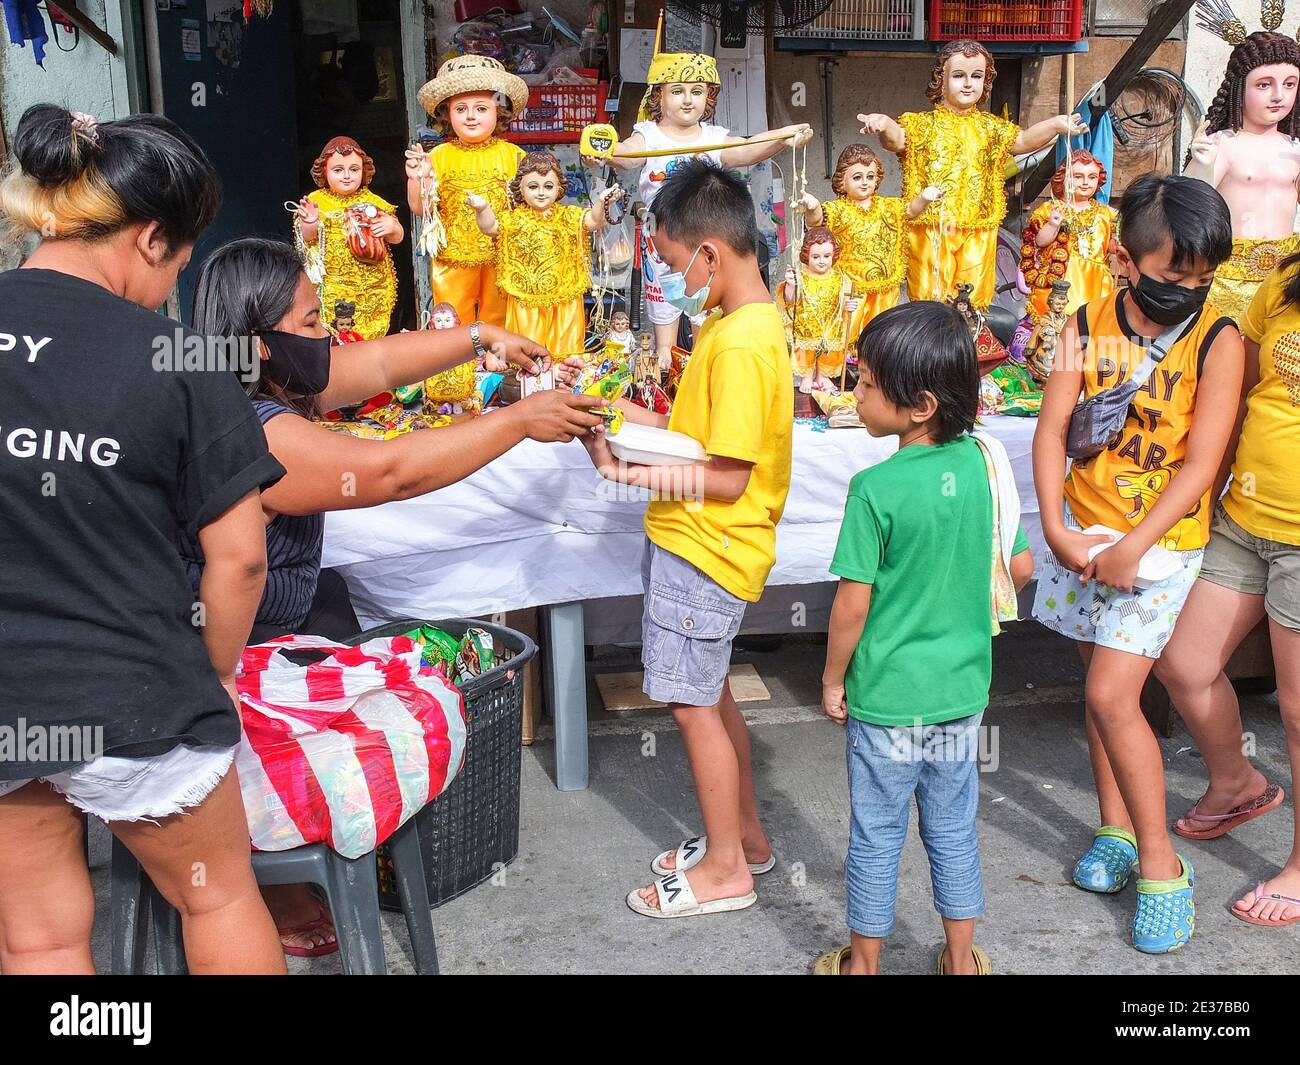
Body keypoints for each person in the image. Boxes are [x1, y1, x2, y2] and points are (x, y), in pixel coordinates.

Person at [185, 236, 605, 955]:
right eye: (313, 322)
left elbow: (376, 363)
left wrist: (479, 335)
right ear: (259, 342)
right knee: (402, 689)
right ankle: (267, 855)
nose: (331, 338)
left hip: (275, 623)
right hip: (230, 653)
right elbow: (389, 473)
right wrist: (514, 422)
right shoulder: (256, 428)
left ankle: (299, 845)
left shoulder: (266, 383)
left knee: (341, 605)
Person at [0, 105, 286, 974]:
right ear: (151, 238)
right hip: (137, 690)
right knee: (218, 894)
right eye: (185, 257)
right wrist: (220, 671)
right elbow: (239, 555)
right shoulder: (177, 359)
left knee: (39, 934)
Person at [1031, 174, 1244, 953]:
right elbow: (1053, 430)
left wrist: (1134, 544)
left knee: (1111, 692)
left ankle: (1162, 868)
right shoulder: (1086, 323)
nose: (1186, 292)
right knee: (1101, 697)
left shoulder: (1218, 337)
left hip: (1161, 549)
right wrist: (1057, 526)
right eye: (1170, 277)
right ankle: (1115, 829)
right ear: (1126, 260)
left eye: (1200, 279)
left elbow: (1202, 465)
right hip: (1086, 538)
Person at [580, 159, 792, 917]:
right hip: (706, 545)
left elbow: (727, 477)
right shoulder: (743, 323)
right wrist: (613, 411)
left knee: (690, 704)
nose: (670, 282)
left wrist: (621, 473)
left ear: (710, 251)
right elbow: (695, 437)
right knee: (710, 692)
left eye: (671, 265)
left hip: (706, 546)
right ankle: (746, 839)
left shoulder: (737, 343)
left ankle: (727, 870)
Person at [814, 301, 1034, 976]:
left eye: (867, 384)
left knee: (877, 834)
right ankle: (962, 960)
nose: (856, 394)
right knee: (953, 827)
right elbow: (1019, 568)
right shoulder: (985, 465)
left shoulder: (874, 488)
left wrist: (830, 678)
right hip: (961, 691)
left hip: (885, 695)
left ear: (919, 405)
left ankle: (865, 966)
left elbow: (852, 604)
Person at [1153, 249, 1300, 928]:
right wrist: (1208, 488)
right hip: (1245, 516)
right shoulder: (1285, 279)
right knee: (1183, 663)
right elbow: (1241, 385)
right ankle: (1238, 780)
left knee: (1298, 713)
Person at [1183, 24, 1300, 321]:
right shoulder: (1223, 144)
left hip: (1283, 279)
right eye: (1264, 85)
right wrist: (1202, 164)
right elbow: (1188, 206)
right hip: (1227, 277)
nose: (1278, 96)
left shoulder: (1295, 149)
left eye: (1289, 84)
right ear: (1239, 86)